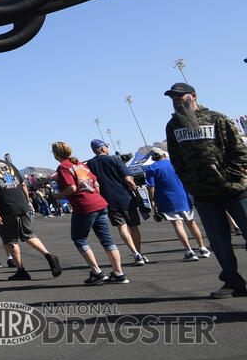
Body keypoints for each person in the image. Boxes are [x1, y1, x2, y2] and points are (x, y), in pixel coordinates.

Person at [164, 82, 247, 298]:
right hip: (203, 194)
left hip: (235, 189)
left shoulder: (216, 118)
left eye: (180, 96)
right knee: (218, 241)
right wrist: (189, 181)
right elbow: (176, 158)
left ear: (193, 96)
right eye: (173, 97)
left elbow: (239, 151)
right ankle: (232, 282)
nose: (176, 100)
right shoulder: (173, 126)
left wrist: (229, 176)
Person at [0, 143, 62, 281]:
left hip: (6, 208)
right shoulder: (9, 165)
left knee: (10, 240)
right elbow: (23, 184)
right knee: (28, 235)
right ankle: (49, 255)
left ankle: (21, 270)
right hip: (21, 205)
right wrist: (28, 202)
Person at [52, 141, 128, 285]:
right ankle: (118, 273)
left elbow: (72, 188)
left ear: (56, 154)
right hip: (99, 203)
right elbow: (96, 184)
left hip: (84, 206)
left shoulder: (63, 167)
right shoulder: (80, 164)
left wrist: (58, 195)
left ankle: (97, 272)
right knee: (106, 239)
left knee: (79, 239)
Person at [84, 138, 149, 266]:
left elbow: (92, 184)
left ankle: (135, 254)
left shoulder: (90, 165)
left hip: (108, 200)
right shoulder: (115, 160)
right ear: (103, 148)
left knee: (122, 226)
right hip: (125, 198)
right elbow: (128, 180)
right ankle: (139, 252)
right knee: (133, 227)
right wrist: (137, 193)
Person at [144, 146, 212, 261]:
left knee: (177, 224)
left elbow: (151, 187)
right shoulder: (174, 163)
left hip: (166, 199)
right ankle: (202, 247)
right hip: (183, 196)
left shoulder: (152, 168)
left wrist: (152, 200)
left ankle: (189, 251)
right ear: (163, 154)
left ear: (153, 158)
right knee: (191, 223)